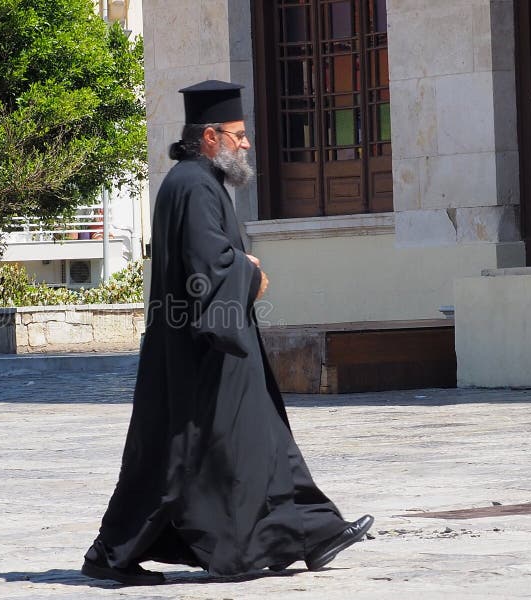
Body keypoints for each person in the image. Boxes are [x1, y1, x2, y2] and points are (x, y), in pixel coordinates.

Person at [81, 80, 373, 586]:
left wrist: (237, 267)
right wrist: (250, 273)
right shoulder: (194, 186)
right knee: (176, 459)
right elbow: (206, 266)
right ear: (211, 137)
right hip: (204, 353)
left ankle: (315, 533)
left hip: (207, 350)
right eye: (238, 135)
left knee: (260, 443)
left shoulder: (193, 182)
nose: (247, 144)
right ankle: (111, 553)